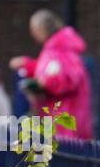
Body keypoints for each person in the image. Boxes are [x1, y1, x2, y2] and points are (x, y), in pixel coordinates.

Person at [8, 9, 93, 140]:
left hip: (65, 125)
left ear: (43, 28)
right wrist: (27, 64)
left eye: (34, 29)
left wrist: (44, 84)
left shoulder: (61, 48)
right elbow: (49, 69)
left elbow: (68, 77)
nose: (32, 33)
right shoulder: (56, 47)